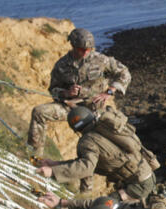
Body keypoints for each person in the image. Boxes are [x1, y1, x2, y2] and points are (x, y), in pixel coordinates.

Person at [27, 28, 131, 158]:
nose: (86, 52)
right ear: (73, 46)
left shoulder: (101, 60)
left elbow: (124, 73)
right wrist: (66, 93)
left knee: (111, 143)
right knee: (38, 112)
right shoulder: (61, 66)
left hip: (96, 110)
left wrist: (109, 92)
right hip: (72, 109)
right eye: (82, 49)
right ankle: (34, 157)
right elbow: (53, 90)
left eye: (89, 49)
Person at [36, 106, 157, 207]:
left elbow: (86, 167)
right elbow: (84, 163)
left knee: (101, 207)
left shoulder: (88, 141)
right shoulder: (104, 129)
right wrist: (56, 165)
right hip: (148, 177)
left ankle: (63, 205)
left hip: (138, 185)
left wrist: (53, 172)